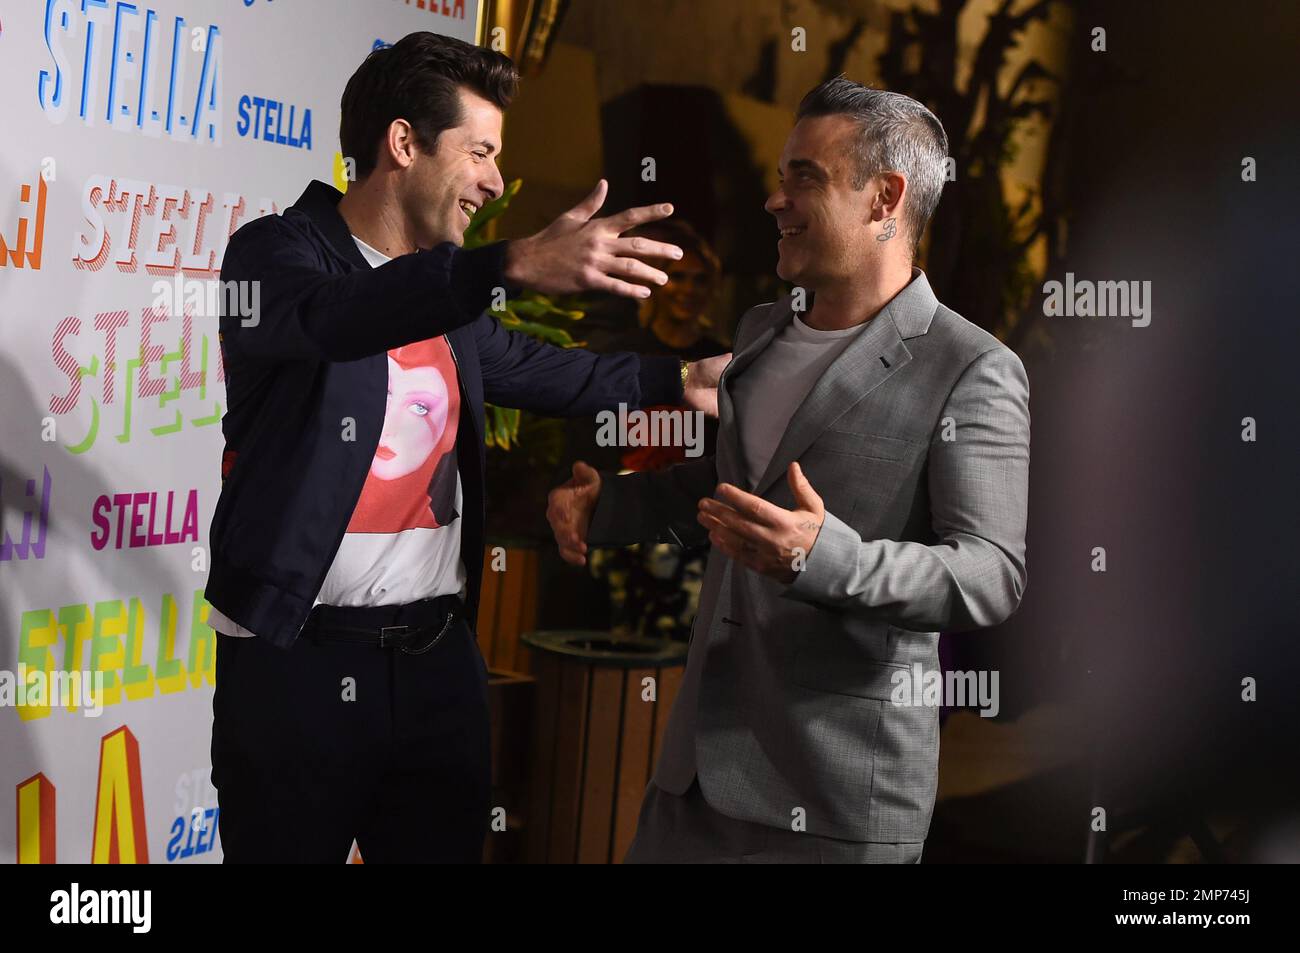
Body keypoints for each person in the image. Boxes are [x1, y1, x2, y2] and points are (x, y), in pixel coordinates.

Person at [205, 31, 729, 863]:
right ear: (402, 143)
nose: (492, 181)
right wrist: (510, 263)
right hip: (296, 666)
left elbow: (544, 369)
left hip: (435, 666)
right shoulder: (275, 254)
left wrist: (680, 378)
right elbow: (337, 320)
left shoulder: (449, 297)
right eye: (479, 153)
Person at [547, 76, 1031, 863]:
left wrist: (821, 556)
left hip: (835, 796)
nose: (775, 200)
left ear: (884, 198)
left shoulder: (971, 367)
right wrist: (613, 507)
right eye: (780, 176)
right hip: (690, 781)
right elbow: (733, 487)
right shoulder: (761, 330)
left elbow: (988, 574)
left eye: (805, 177)